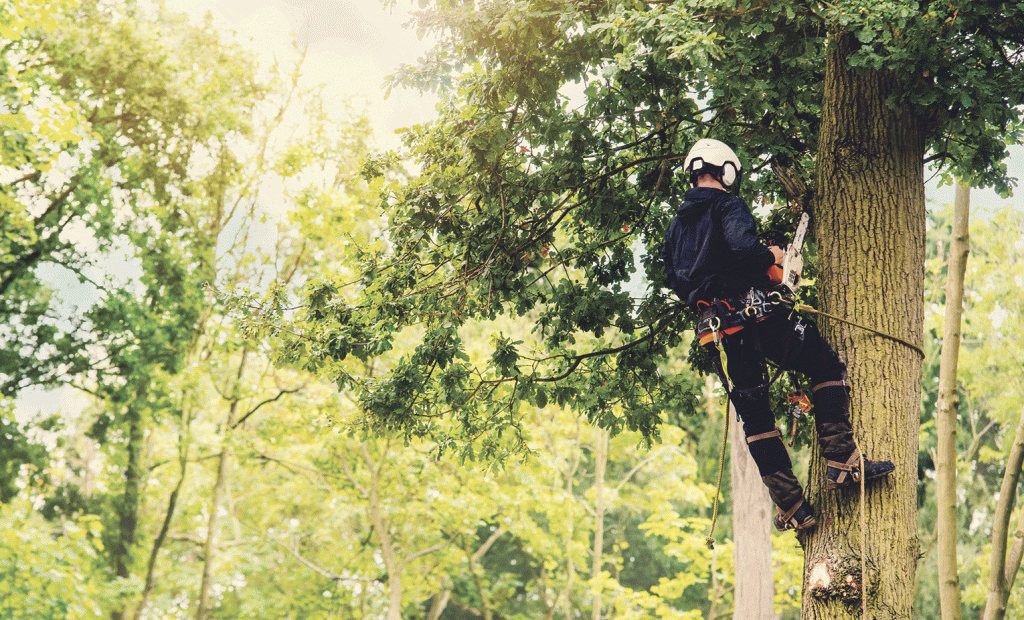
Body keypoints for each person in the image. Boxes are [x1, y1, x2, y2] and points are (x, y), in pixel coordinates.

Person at [661, 138, 894, 531]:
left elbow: (676, 280)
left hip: (720, 332)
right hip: (755, 318)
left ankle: (792, 507)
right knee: (825, 364)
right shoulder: (727, 206)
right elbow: (744, 250)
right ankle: (842, 461)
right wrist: (775, 256)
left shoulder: (675, 228)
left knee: (755, 413)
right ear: (726, 171)